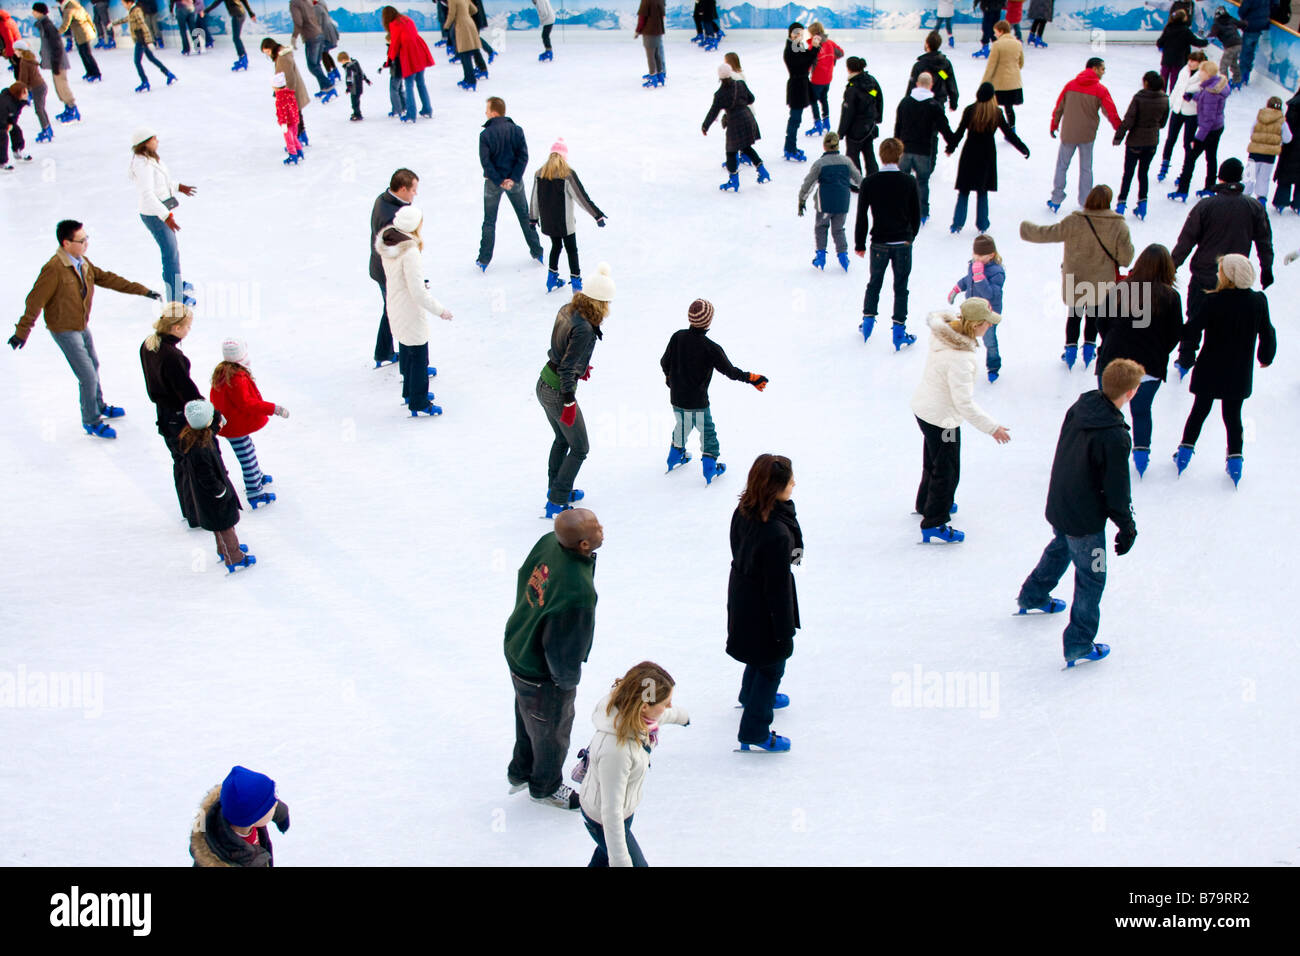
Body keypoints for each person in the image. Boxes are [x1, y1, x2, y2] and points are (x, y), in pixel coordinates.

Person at [1015, 358, 1143, 668]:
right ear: (1130, 392)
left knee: (1062, 547)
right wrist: (1127, 527)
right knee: (1092, 577)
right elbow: (1116, 490)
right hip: (1085, 520)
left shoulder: (1082, 406)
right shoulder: (1114, 435)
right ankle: (1079, 643)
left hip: (1061, 503)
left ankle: (1033, 595)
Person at [12, 219, 158, 438]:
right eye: (81, 241)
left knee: (94, 365)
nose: (86, 244)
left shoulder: (83, 263)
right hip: (64, 329)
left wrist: (142, 291)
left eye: (86, 239)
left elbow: (108, 279)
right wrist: (22, 332)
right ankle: (91, 420)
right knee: (87, 375)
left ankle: (98, 405)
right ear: (66, 243)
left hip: (81, 325)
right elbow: (34, 301)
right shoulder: (53, 269)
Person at [503, 508, 603, 809]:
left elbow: (525, 576)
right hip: (541, 672)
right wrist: (565, 684)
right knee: (552, 730)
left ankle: (520, 770)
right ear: (583, 545)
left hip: (519, 645)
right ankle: (544, 786)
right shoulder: (577, 593)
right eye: (596, 527)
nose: (602, 528)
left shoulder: (550, 540)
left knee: (528, 714)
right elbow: (563, 648)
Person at [910, 298, 1010, 542]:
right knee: (947, 470)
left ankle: (926, 502)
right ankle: (935, 520)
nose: (990, 327)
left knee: (933, 459)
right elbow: (964, 404)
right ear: (976, 325)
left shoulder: (944, 336)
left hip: (925, 409)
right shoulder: (961, 359)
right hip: (943, 419)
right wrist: (992, 428)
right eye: (987, 323)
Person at [1173, 254, 1275, 485]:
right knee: (1232, 416)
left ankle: (1184, 453)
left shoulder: (1213, 301)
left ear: (1227, 276)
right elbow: (1267, 332)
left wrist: (1170, 330)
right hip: (1238, 372)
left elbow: (1191, 331)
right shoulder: (1258, 301)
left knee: (1199, 411)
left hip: (1211, 368)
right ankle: (1235, 461)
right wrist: (1265, 357)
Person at [578, 662, 689, 867]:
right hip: (604, 820)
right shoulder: (617, 752)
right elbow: (611, 813)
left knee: (603, 857)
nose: (670, 706)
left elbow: (662, 716)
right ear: (645, 706)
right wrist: (621, 862)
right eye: (666, 702)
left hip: (624, 811)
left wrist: (683, 717)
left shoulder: (636, 716)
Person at [728, 453, 801, 753]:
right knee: (772, 663)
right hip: (763, 604)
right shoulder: (776, 534)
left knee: (756, 652)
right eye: (789, 481)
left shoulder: (744, 509)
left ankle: (749, 695)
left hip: (742, 592)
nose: (795, 484)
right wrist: (785, 630)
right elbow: (777, 590)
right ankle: (755, 730)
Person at [1020, 184, 1134, 370]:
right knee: (1094, 315)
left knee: (1074, 315)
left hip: (1076, 279)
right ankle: (1089, 350)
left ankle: (1070, 351)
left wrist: (1026, 229)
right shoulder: (1118, 226)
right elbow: (1126, 259)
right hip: (1102, 282)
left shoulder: (1074, 221)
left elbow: (1048, 233)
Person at [1095, 243, 1184, 476]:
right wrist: (1158, 350)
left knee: (1108, 412)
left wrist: (1112, 343)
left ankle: (1105, 454)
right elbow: (1175, 334)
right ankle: (1141, 456)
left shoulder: (1119, 289)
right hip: (1149, 366)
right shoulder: (1171, 297)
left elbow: (1101, 322)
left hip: (1113, 362)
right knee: (1142, 411)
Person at [536, 265, 615, 516]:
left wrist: (581, 365)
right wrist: (569, 400)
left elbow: (564, 349)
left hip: (543, 382)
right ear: (601, 303)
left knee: (562, 439)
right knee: (580, 447)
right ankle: (557, 499)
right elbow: (568, 367)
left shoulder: (567, 309)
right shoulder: (585, 328)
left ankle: (556, 489)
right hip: (559, 390)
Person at [660, 298, 768, 483]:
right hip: (698, 402)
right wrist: (752, 378)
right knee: (707, 431)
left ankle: (674, 455)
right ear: (708, 321)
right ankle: (710, 468)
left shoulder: (677, 337)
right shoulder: (711, 348)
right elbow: (731, 372)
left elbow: (664, 362)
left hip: (676, 398)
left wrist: (670, 378)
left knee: (683, 424)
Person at [1170, 157, 1273, 330]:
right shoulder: (1254, 207)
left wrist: (1171, 266)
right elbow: (1264, 241)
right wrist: (1266, 268)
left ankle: (1186, 355)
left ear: (1221, 178)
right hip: (1233, 279)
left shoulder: (1206, 206)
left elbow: (1186, 240)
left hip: (1204, 275)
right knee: (1223, 328)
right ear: (1239, 179)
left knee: (1194, 322)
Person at [375, 205, 452, 417]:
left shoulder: (389, 243)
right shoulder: (410, 252)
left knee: (406, 350)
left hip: (395, 302)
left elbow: (400, 278)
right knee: (418, 354)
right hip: (409, 308)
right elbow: (417, 293)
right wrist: (441, 310)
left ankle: (408, 392)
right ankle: (419, 401)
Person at [854, 138, 921, 348]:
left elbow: (862, 215)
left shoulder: (870, 182)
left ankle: (867, 322)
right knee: (901, 286)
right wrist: (911, 236)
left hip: (879, 242)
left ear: (880, 156)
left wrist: (860, 243)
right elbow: (915, 214)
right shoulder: (909, 181)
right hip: (902, 242)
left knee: (874, 282)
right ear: (899, 156)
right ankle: (899, 330)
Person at [140, 303, 202, 522]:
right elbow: (187, 393)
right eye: (187, 326)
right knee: (190, 464)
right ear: (176, 328)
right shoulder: (172, 357)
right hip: (178, 418)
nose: (188, 331)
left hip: (164, 417)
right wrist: (208, 412)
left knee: (180, 463)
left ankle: (188, 510)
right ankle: (196, 514)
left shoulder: (148, 344)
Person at [209, 339, 287, 508]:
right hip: (234, 426)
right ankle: (255, 493)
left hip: (231, 423)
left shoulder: (222, 372)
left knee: (248, 449)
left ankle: (257, 477)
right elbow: (247, 403)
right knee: (247, 457)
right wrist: (273, 408)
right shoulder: (236, 378)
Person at [179, 399, 255, 571]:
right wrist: (220, 491)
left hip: (209, 496)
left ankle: (224, 550)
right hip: (214, 496)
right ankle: (234, 557)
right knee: (225, 526)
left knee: (220, 525)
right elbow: (207, 475)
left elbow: (210, 429)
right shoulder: (201, 448)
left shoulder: (194, 437)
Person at [945, 81, 1030, 235]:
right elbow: (1009, 133)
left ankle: (957, 224)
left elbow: (960, 132)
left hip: (969, 154)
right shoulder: (996, 113)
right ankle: (982, 224)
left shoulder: (970, 110)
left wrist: (950, 147)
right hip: (987, 155)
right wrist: (1022, 147)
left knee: (964, 190)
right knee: (982, 190)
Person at [528, 139, 606, 293]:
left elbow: (534, 199)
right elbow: (581, 198)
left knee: (556, 246)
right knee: (572, 250)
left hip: (548, 222)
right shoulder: (567, 175)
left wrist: (533, 218)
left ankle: (551, 279)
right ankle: (576, 284)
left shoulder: (540, 173)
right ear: (564, 157)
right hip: (565, 223)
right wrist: (597, 215)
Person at [129, 128, 196, 305]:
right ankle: (176, 298)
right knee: (170, 255)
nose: (157, 141)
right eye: (154, 138)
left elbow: (161, 183)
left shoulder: (150, 159)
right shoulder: (143, 165)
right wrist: (166, 216)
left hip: (159, 213)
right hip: (155, 215)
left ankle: (176, 285)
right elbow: (148, 195)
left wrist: (178, 187)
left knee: (172, 252)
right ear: (145, 142)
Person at [476, 96, 544, 270]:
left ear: (493, 112)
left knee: (489, 221)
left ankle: (484, 259)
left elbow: (486, 163)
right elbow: (523, 157)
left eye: (487, 110)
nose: (485, 113)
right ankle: (537, 250)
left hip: (493, 183)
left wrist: (499, 180)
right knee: (524, 216)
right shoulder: (516, 130)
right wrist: (513, 178)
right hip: (515, 181)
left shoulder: (485, 135)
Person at [1048, 57, 1121, 212]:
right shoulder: (1100, 90)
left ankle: (1056, 198)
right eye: (1102, 69)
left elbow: (1059, 107)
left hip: (1069, 133)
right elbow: (1110, 111)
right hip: (1087, 135)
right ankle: (1085, 199)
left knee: (1062, 166)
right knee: (1086, 168)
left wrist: (1054, 125)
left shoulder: (1070, 85)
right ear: (1094, 69)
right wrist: (1119, 128)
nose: (1103, 72)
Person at [190, 766, 289, 867]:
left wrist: (281, 814)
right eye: (270, 806)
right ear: (253, 818)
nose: (275, 804)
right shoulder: (222, 858)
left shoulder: (237, 808)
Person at [369, 168, 418, 368]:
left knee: (390, 310)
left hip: (379, 269)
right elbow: (398, 252)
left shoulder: (382, 200)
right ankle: (407, 363)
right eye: (413, 190)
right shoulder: (394, 217)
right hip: (389, 273)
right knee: (399, 313)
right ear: (403, 189)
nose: (415, 194)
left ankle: (383, 352)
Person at [894, 71, 954, 224]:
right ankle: (922, 213)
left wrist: (896, 145)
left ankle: (901, 210)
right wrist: (951, 144)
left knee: (902, 181)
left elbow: (898, 126)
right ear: (931, 85)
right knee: (922, 183)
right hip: (923, 150)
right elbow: (944, 127)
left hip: (905, 149)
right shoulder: (934, 105)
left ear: (917, 84)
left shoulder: (905, 102)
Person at [798, 130, 862, 270]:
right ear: (838, 146)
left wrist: (802, 200)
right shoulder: (846, 162)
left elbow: (809, 183)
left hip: (825, 203)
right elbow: (858, 180)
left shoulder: (820, 164)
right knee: (839, 229)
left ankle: (821, 256)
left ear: (824, 146)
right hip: (842, 202)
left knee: (821, 227)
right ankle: (843, 256)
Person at [947, 233, 1005, 381]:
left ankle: (993, 366)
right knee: (964, 338)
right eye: (975, 254)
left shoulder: (997, 272)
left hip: (987, 315)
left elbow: (991, 294)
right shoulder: (974, 264)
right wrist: (957, 288)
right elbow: (968, 280)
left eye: (981, 256)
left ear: (991, 255)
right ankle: (962, 366)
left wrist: (980, 277)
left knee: (989, 341)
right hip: (971, 311)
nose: (977, 258)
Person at [1170, 59, 1231, 200]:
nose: (1199, 74)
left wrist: (1198, 138)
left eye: (1201, 71)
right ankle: (1210, 187)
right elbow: (1205, 99)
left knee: (1190, 157)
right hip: (1218, 126)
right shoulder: (1214, 86)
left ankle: (1182, 190)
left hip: (1209, 129)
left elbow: (1208, 117)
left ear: (1207, 73)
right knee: (1211, 156)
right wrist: (1193, 97)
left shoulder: (1211, 92)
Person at [1113, 71, 1170, 219]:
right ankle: (1142, 205)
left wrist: (1119, 136)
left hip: (1135, 141)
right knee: (1143, 173)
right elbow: (1163, 123)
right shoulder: (1164, 99)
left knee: (1128, 173)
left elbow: (1129, 119)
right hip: (1151, 142)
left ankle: (1121, 204)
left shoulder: (1139, 98)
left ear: (1146, 83)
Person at [705, 62, 769, 192]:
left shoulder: (720, 94)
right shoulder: (740, 84)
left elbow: (713, 112)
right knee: (746, 147)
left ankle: (734, 181)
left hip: (735, 122)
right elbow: (751, 98)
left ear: (720, 77)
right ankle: (763, 172)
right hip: (748, 117)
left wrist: (705, 126)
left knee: (731, 151)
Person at [1159, 50, 1208, 183]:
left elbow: (1204, 97)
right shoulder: (1184, 70)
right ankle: (1164, 164)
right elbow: (1176, 88)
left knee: (1188, 143)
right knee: (1170, 139)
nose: (1190, 63)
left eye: (1193, 61)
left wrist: (1192, 98)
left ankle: (1184, 172)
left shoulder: (1204, 76)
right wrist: (1169, 105)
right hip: (1177, 109)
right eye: (1189, 60)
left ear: (1200, 63)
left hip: (1192, 113)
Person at [380, 5, 433, 119]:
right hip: (419, 51)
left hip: (409, 55)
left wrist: (389, 60)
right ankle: (427, 109)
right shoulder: (406, 19)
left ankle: (411, 114)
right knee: (421, 83)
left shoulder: (394, 24)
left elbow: (394, 45)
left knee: (409, 85)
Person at [837, 55, 883, 175]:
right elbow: (879, 99)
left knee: (852, 156)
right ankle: (874, 178)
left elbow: (847, 113)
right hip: (869, 126)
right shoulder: (871, 81)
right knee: (869, 153)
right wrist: (877, 118)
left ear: (849, 69)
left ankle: (856, 182)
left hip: (855, 130)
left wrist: (841, 132)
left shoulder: (852, 89)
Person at [260, 39, 309, 150]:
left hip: (291, 91)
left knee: (293, 115)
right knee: (296, 113)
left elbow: (289, 77)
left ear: (272, 47)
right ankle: (302, 136)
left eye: (268, 52)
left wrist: (287, 94)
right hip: (291, 90)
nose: (268, 55)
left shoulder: (282, 58)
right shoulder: (281, 55)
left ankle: (298, 138)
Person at [32, 2, 78, 121]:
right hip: (55, 61)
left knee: (62, 85)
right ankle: (68, 107)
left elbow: (56, 45)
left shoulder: (47, 25)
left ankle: (72, 109)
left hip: (58, 62)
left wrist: (56, 63)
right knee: (58, 86)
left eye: (34, 11)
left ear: (39, 12)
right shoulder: (43, 24)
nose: (32, 13)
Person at [119, 0, 175, 92]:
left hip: (141, 39)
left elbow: (144, 26)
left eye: (123, 4)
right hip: (141, 39)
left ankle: (145, 82)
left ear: (128, 3)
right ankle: (168, 74)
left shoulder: (136, 11)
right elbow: (127, 19)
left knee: (137, 61)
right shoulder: (133, 10)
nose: (123, 6)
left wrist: (149, 41)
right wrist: (113, 24)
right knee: (151, 58)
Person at [1245, 95, 1291, 201]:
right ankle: (1261, 199)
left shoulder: (1260, 117)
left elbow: (1252, 131)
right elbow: (1288, 138)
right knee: (1264, 178)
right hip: (1269, 155)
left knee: (1249, 175)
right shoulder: (1281, 121)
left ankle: (1245, 197)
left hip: (1254, 152)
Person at [782, 23, 817, 161]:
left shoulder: (797, 46)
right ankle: (790, 148)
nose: (799, 36)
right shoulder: (791, 48)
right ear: (791, 33)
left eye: (801, 34)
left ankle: (790, 147)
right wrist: (814, 48)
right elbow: (805, 63)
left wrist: (813, 48)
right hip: (797, 86)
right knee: (795, 119)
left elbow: (807, 58)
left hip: (801, 85)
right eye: (796, 33)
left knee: (796, 119)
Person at [981, 19, 1023, 127]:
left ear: (1001, 31)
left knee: (993, 108)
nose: (994, 34)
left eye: (995, 32)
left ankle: (990, 130)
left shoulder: (997, 45)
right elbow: (1021, 63)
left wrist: (984, 83)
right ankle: (1011, 129)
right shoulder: (1018, 44)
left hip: (1000, 84)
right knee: (1009, 108)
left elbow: (991, 66)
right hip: (1014, 83)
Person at [804, 22, 843, 136]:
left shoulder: (814, 46)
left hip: (817, 78)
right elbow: (840, 53)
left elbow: (809, 62)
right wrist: (832, 59)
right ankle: (826, 121)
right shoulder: (830, 43)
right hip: (828, 78)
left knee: (813, 100)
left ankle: (818, 124)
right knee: (824, 98)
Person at [907, 30, 960, 113]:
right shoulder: (944, 65)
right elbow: (950, 82)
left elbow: (912, 85)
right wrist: (953, 102)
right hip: (939, 104)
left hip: (921, 104)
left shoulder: (919, 66)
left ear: (927, 44)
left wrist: (907, 104)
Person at [1157, 9, 1208, 93]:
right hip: (1178, 60)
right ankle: (1172, 100)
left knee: (1163, 81)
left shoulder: (1168, 28)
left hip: (1166, 59)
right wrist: (1207, 41)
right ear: (1183, 18)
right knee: (1175, 83)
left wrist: (1162, 47)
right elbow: (1196, 42)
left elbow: (1160, 42)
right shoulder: (1185, 30)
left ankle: (1160, 99)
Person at [289, 0, 330, 95]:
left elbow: (298, 22)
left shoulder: (294, 3)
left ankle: (328, 86)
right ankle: (324, 88)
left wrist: (294, 37)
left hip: (311, 36)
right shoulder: (307, 1)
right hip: (319, 34)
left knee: (312, 66)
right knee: (317, 64)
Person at [446, 0, 488, 92]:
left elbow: (451, 14)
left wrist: (446, 26)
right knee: (473, 49)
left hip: (462, 26)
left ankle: (470, 80)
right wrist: (464, 14)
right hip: (470, 23)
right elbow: (474, 10)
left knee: (464, 53)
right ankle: (471, 76)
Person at [14, 43, 51, 142]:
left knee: (39, 110)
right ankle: (48, 128)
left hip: (37, 88)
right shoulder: (29, 58)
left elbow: (23, 79)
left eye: (16, 50)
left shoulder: (24, 62)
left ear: (21, 50)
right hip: (41, 86)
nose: (14, 52)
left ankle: (46, 130)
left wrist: (19, 90)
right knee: (41, 109)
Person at [203, 0, 255, 70]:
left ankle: (243, 58)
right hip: (241, 14)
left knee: (236, 38)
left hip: (237, 15)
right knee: (236, 38)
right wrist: (251, 13)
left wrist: (205, 11)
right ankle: (243, 57)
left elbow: (216, 3)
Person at [1272, 86, 1300, 212]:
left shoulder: (1294, 104)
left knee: (1286, 173)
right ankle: (1298, 204)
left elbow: (1287, 125)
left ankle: (1281, 202)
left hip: (1292, 145)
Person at [57, 1, 100, 81]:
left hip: (81, 33)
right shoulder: (76, 5)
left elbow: (65, 25)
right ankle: (89, 72)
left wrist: (56, 33)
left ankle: (96, 73)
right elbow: (88, 16)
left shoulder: (68, 9)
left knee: (86, 54)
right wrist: (92, 28)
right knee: (83, 53)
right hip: (84, 31)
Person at [271, 72, 303, 165]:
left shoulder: (280, 97)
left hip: (287, 122)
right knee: (294, 136)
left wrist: (283, 123)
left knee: (289, 139)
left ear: (276, 87)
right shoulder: (289, 93)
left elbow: (282, 111)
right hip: (294, 120)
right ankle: (299, 152)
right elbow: (294, 107)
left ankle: (293, 155)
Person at [1208, 5, 1243, 89]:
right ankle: (1237, 80)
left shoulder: (1216, 25)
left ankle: (1224, 84)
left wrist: (1206, 41)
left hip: (1230, 46)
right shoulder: (1231, 19)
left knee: (1223, 65)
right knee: (1233, 62)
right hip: (1239, 44)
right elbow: (1242, 24)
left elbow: (1211, 36)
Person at [0, 82, 32, 171]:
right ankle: (2, 161)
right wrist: (6, 126)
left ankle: (18, 150)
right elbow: (2, 116)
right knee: (2, 136)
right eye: (24, 92)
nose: (27, 94)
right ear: (18, 93)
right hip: (1, 121)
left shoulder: (18, 101)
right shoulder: (5, 102)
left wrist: (11, 123)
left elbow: (14, 116)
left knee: (16, 130)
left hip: (4, 119)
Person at [1237, 0, 1270, 86]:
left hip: (1251, 25)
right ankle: (1246, 76)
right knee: (1250, 52)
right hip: (1261, 25)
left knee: (1245, 52)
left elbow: (1243, 10)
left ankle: (1239, 79)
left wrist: (1245, 20)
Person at [635, 0, 666, 88]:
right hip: (658, 30)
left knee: (650, 56)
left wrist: (638, 31)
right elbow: (663, 15)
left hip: (649, 31)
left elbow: (642, 18)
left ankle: (653, 77)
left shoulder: (646, 1)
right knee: (657, 54)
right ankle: (660, 76)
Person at [336, 50, 369, 121]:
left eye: (341, 62)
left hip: (354, 87)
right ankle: (357, 113)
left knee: (354, 102)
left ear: (343, 60)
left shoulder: (348, 67)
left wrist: (348, 88)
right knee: (356, 100)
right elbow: (361, 71)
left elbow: (349, 78)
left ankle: (357, 115)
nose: (341, 63)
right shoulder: (355, 62)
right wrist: (366, 79)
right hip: (360, 85)